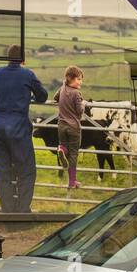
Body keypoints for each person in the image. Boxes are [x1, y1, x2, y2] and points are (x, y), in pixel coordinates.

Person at [0, 45, 48, 212]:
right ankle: (22, 212)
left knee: (2, 173)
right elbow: (42, 96)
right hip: (18, 129)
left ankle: (7, 211)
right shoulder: (27, 74)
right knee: (27, 171)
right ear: (23, 59)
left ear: (8, 58)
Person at [54, 65, 86, 193]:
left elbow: (56, 98)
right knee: (73, 154)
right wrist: (83, 104)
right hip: (74, 127)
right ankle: (72, 182)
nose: (80, 82)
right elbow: (79, 112)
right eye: (78, 79)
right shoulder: (76, 93)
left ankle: (61, 149)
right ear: (70, 78)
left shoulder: (62, 88)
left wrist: (63, 87)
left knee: (65, 147)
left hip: (61, 126)